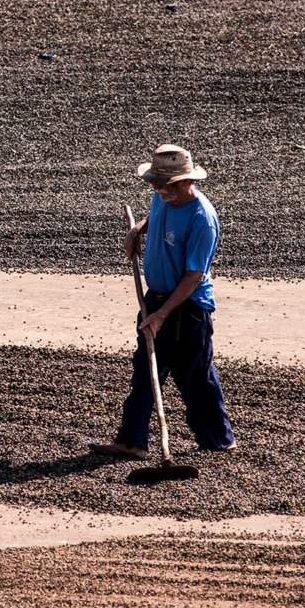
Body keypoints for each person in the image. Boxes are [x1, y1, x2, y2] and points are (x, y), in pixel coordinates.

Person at [89, 144, 236, 460]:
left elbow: (194, 276)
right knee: (145, 369)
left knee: (194, 377)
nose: (157, 189)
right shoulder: (163, 195)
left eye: (165, 184)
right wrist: (138, 232)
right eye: (155, 183)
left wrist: (163, 314)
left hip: (187, 308)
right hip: (155, 301)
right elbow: (155, 214)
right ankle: (132, 442)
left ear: (186, 182)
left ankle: (218, 440)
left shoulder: (202, 219)